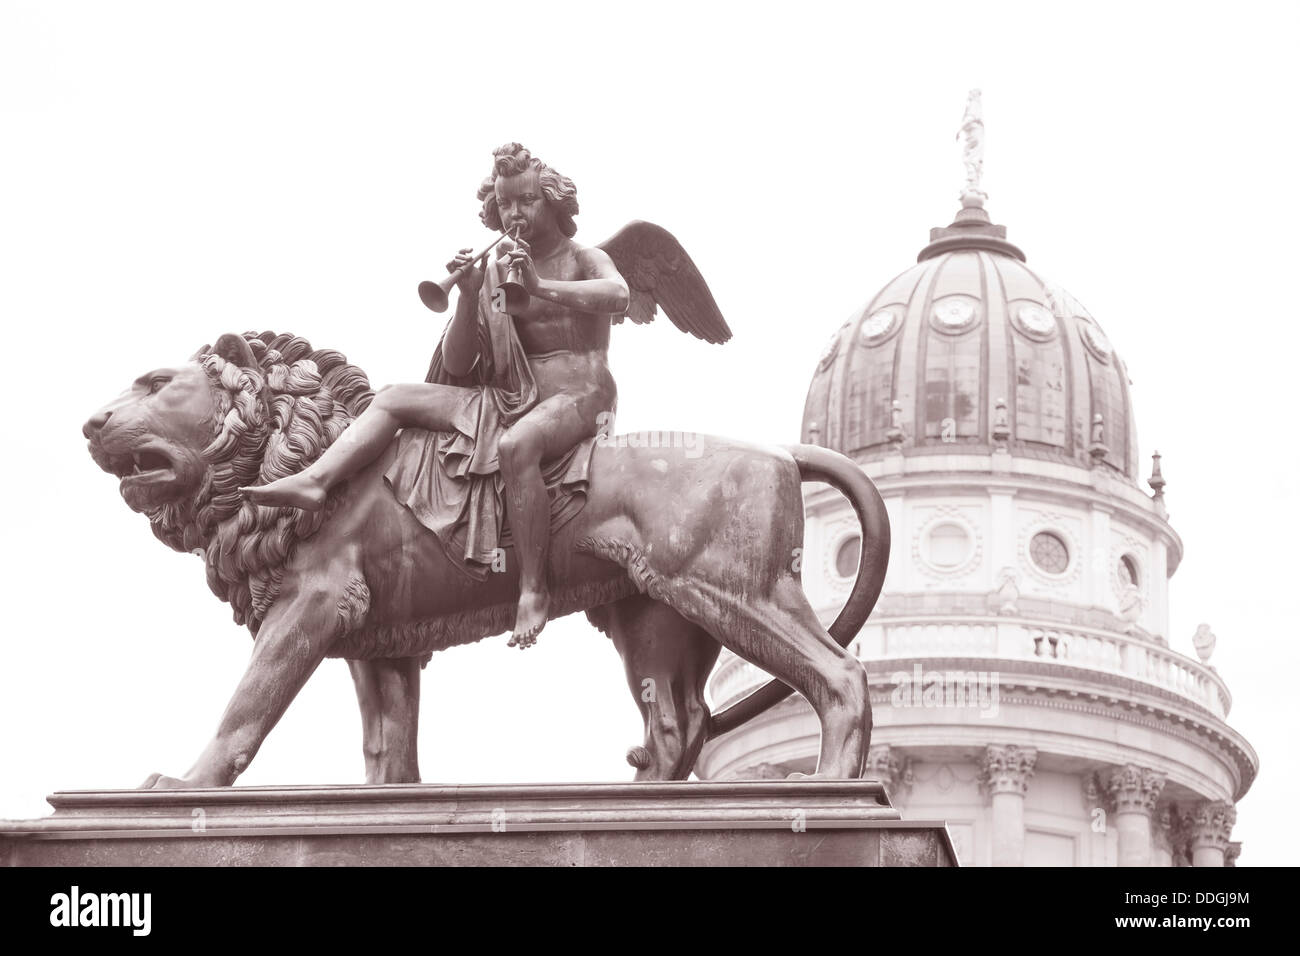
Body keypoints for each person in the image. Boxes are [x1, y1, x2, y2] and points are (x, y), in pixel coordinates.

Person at [243, 143, 629, 649]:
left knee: (518, 448)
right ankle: (317, 480)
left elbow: (617, 296)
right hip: (511, 396)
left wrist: (538, 286)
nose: (514, 213)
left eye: (527, 201)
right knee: (394, 396)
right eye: (506, 204)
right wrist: (468, 294)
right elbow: (455, 365)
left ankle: (534, 587)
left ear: (552, 201)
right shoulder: (498, 269)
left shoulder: (582, 258)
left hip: (580, 392)